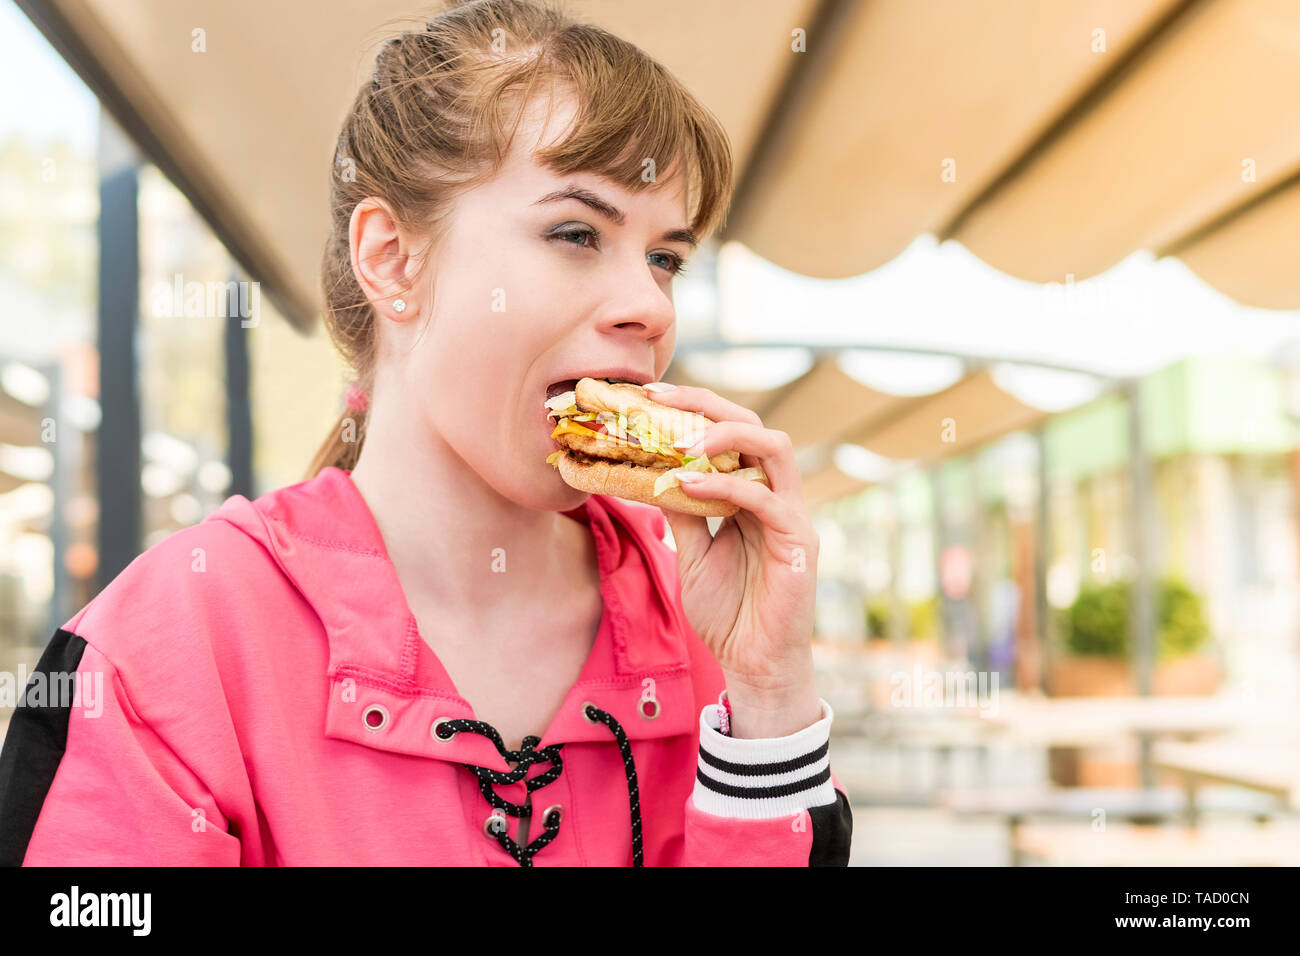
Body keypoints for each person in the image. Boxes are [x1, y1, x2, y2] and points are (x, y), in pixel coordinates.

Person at [0, 0, 852, 866]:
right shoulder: (163, 652)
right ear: (392, 258)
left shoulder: (699, 616)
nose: (650, 307)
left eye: (665, 257)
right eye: (576, 233)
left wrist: (768, 701)